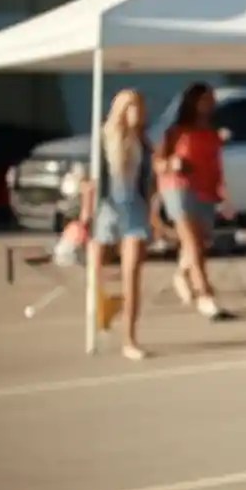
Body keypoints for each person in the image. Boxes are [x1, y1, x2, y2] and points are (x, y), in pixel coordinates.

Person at [76, 89, 156, 360]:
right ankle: (103, 312)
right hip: (107, 207)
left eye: (140, 107)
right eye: (133, 107)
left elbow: (148, 181)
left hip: (134, 206)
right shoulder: (104, 137)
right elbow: (88, 179)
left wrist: (153, 215)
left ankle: (129, 338)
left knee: (132, 274)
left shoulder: (143, 140)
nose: (139, 112)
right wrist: (86, 213)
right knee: (95, 271)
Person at [155, 81, 233, 320]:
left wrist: (223, 193)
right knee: (193, 243)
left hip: (205, 189)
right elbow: (157, 163)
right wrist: (172, 164)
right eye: (205, 99)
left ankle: (182, 274)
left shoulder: (212, 131)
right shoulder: (176, 131)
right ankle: (205, 295)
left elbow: (216, 166)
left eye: (212, 99)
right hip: (178, 187)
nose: (210, 103)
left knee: (201, 241)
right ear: (193, 102)